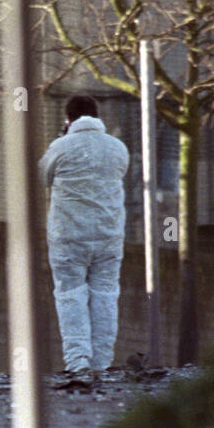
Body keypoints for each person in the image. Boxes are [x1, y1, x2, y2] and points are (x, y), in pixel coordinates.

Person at [38, 93, 130, 375]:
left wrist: (62, 138)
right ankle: (102, 362)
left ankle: (78, 361)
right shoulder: (117, 148)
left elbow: (41, 177)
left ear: (68, 119)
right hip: (108, 235)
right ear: (97, 115)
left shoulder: (61, 146)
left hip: (69, 236)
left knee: (70, 295)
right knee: (105, 295)